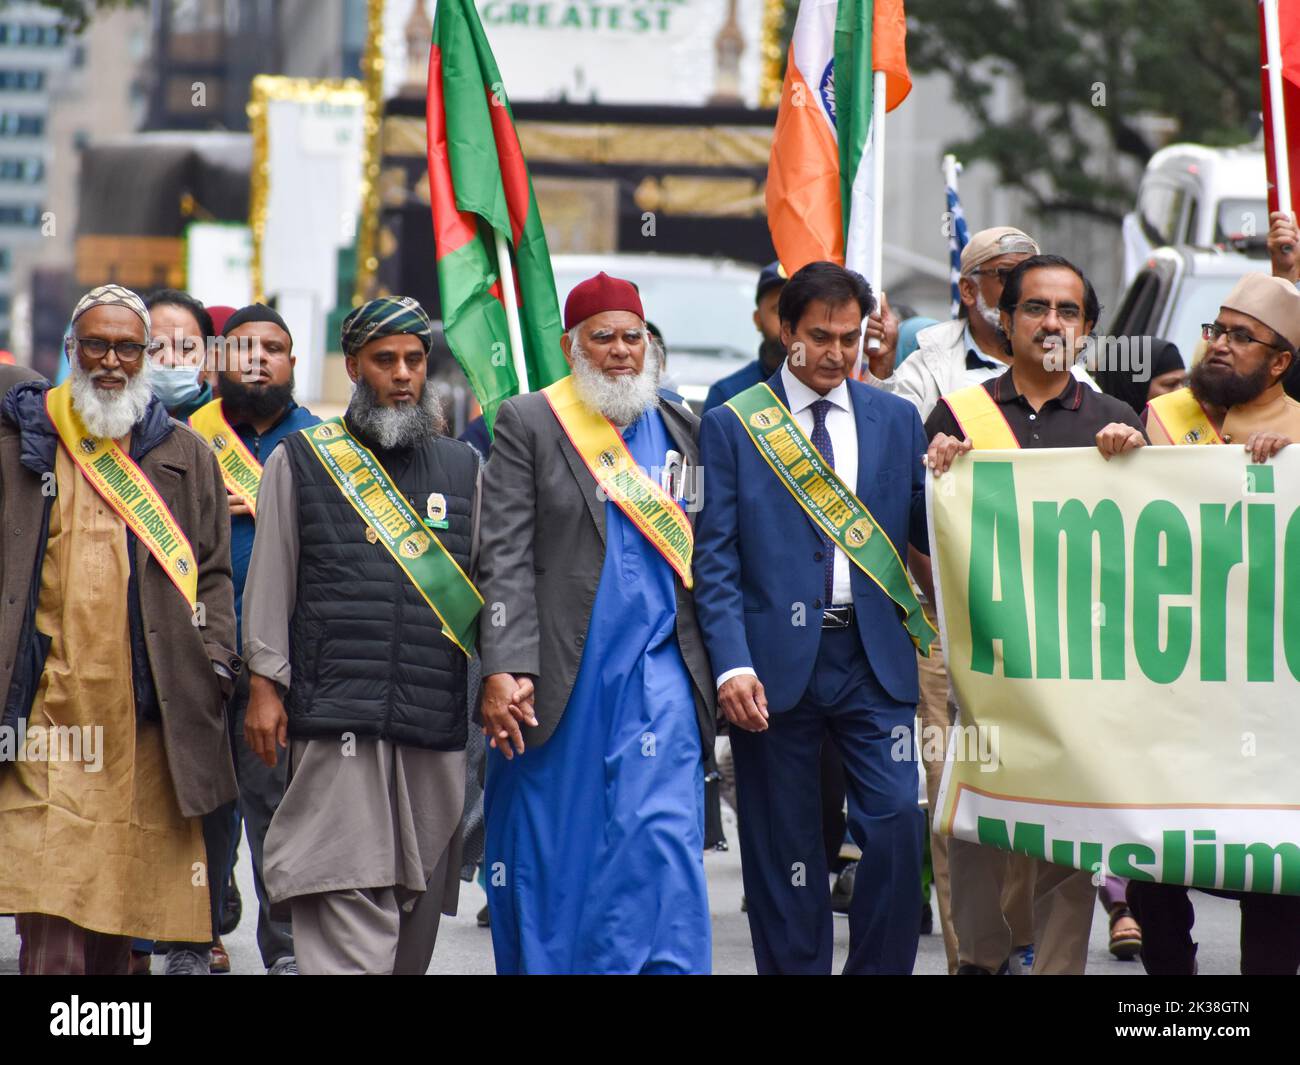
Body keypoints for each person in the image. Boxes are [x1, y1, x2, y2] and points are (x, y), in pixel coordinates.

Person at [694, 261, 932, 975]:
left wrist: (949, 471)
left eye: (849, 337)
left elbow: (926, 529)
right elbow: (715, 559)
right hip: (771, 666)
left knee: (894, 825)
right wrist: (732, 662)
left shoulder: (895, 419)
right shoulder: (733, 426)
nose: (835, 352)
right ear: (784, 329)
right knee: (784, 849)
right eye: (819, 336)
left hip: (873, 658)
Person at [477, 271, 715, 975]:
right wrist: (503, 663)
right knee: (557, 847)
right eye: (603, 338)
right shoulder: (530, 421)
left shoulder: (681, 427)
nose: (620, 352)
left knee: (660, 836)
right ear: (571, 346)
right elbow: (505, 554)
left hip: (661, 669)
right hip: (560, 672)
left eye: (632, 338)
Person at [0, 284, 239, 975]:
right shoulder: (25, 442)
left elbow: (216, 577)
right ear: (70, 351)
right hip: (44, 718)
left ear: (147, 355)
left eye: (127, 347)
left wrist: (218, 661)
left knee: (121, 926)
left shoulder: (187, 456)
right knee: (54, 929)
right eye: (96, 345)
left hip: (147, 721)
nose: (111, 361)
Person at [925, 255, 1148, 975]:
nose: (1051, 322)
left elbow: (1148, 550)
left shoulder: (1117, 422)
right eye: (1035, 308)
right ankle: (981, 961)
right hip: (989, 667)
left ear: (1086, 329)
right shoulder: (960, 416)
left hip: (1081, 673)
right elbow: (916, 540)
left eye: (1068, 311)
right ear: (1005, 319)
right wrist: (941, 476)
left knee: (1067, 843)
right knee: (978, 829)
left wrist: (1140, 467)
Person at [240, 296, 475, 976]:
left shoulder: (463, 468)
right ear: (352, 366)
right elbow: (272, 581)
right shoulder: (303, 460)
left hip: (431, 728)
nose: (403, 373)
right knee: (341, 891)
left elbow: (493, 590)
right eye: (385, 360)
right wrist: (264, 683)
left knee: (413, 928)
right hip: (334, 718)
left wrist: (502, 675)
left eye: (414, 359)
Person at [188, 303, 320, 975]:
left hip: (284, 662)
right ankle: (193, 933)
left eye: (273, 348)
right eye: (244, 348)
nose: (259, 358)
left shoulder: (327, 446)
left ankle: (288, 947)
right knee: (197, 806)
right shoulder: (186, 440)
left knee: (279, 812)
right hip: (195, 655)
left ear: (294, 363)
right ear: (218, 362)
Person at [1141, 273, 1300, 450]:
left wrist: (1286, 462)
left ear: (1279, 362)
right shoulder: (1162, 414)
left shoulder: (1296, 432)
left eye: (1241, 337)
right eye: (1217, 331)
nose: (1219, 345)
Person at [703, 261, 788, 412]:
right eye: (779, 310)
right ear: (758, 319)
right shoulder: (729, 396)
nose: (789, 321)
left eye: (800, 311)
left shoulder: (834, 389)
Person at [144, 289, 215, 420]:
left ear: (208, 361)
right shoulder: (114, 429)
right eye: (155, 348)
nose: (170, 360)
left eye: (186, 348)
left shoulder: (232, 428)